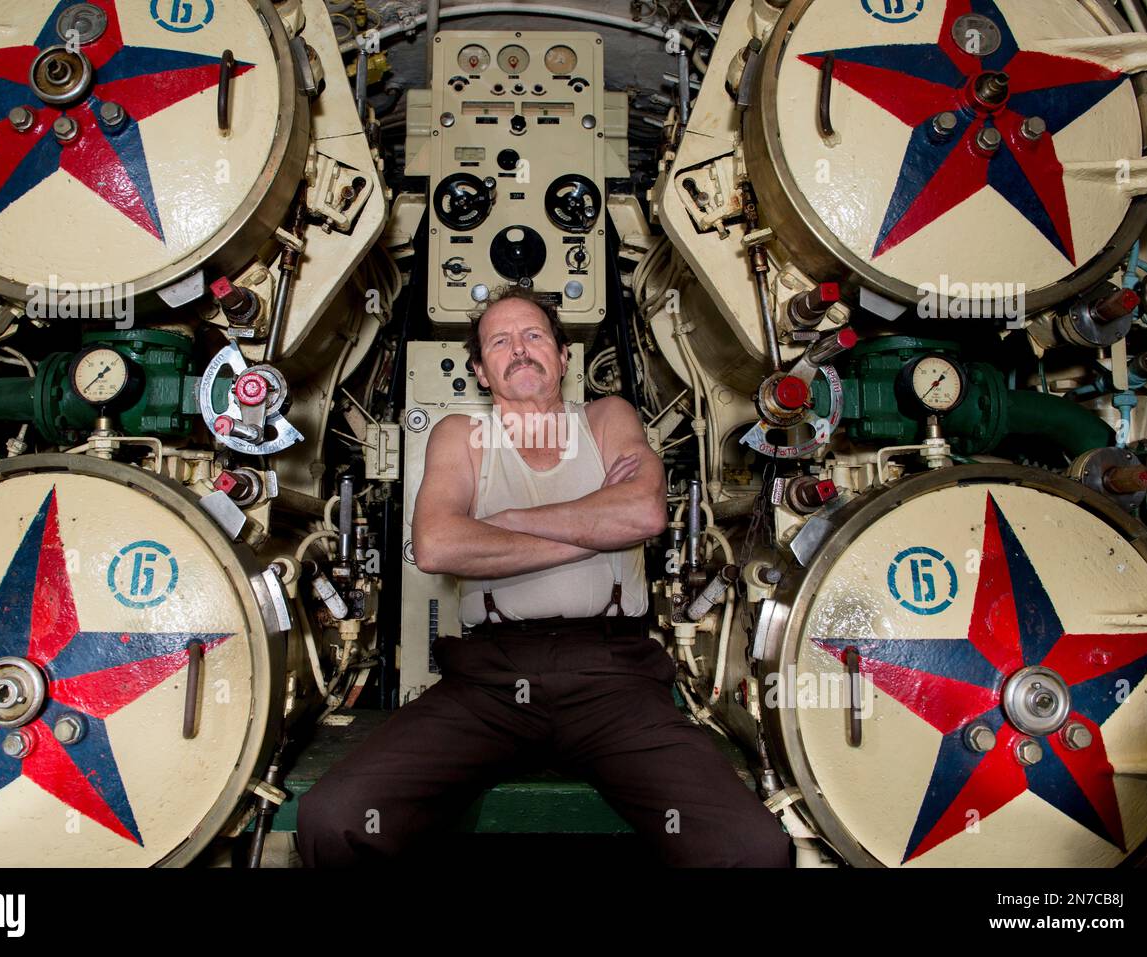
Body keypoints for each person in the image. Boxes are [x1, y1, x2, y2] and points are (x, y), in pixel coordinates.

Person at [294, 286, 791, 867]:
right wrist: (594, 527)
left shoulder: (608, 418)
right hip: (489, 681)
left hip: (613, 680)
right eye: (499, 341)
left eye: (534, 336)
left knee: (751, 849)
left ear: (562, 356)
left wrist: (502, 526)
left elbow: (643, 514)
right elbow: (435, 546)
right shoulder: (460, 435)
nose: (520, 350)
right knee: (336, 819)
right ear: (481, 370)